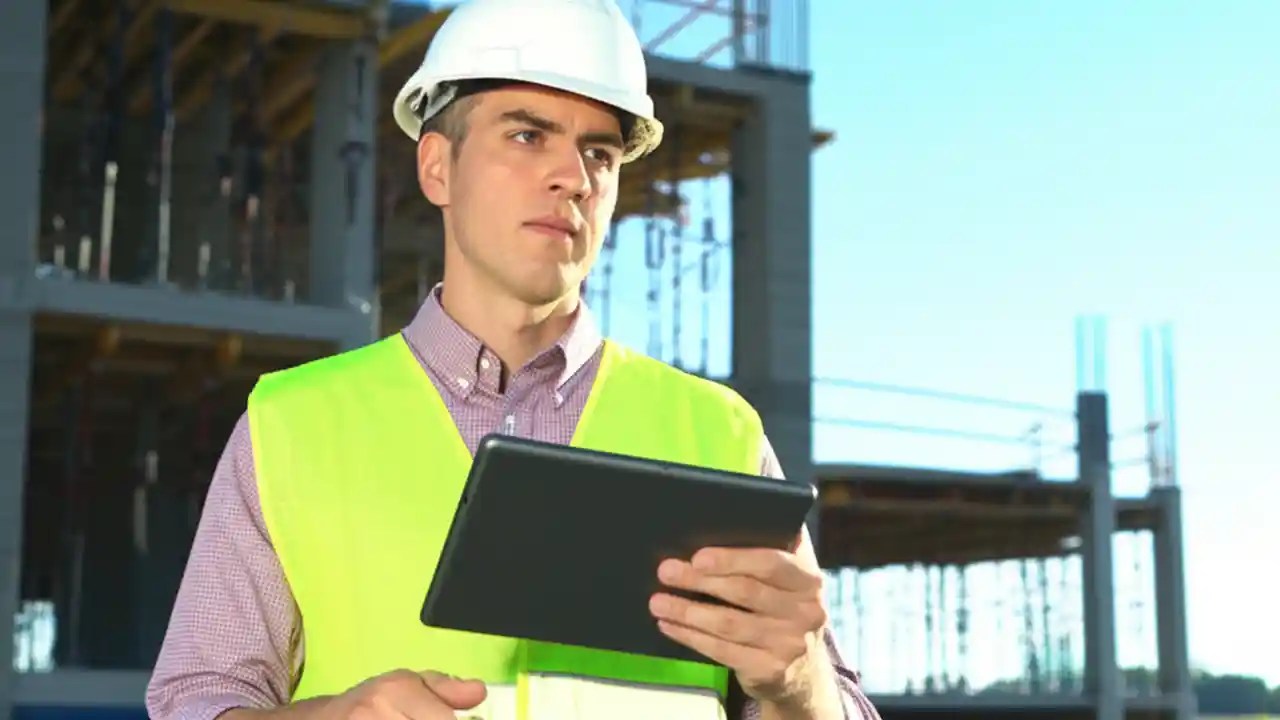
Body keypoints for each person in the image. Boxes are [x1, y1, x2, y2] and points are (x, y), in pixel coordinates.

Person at [145, 0, 881, 718]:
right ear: (437, 167)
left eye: (600, 152)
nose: (574, 177)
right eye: (529, 136)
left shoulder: (720, 435)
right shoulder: (291, 425)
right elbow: (195, 701)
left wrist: (801, 683)